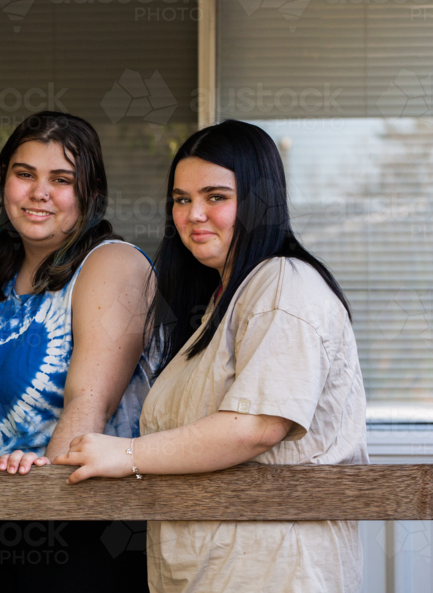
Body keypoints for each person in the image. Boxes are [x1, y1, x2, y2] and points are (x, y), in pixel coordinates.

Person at [55, 119, 368, 592]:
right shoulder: (220, 300)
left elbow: (257, 425)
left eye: (215, 197)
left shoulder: (284, 283)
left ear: (258, 201)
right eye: (182, 199)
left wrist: (127, 453)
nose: (194, 214)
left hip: (274, 572)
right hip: (205, 570)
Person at [0, 111, 153, 591]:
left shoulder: (111, 263)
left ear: (89, 195)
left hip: (84, 523)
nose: (39, 191)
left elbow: (90, 404)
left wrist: (46, 496)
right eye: (24, 174)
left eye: (62, 179)